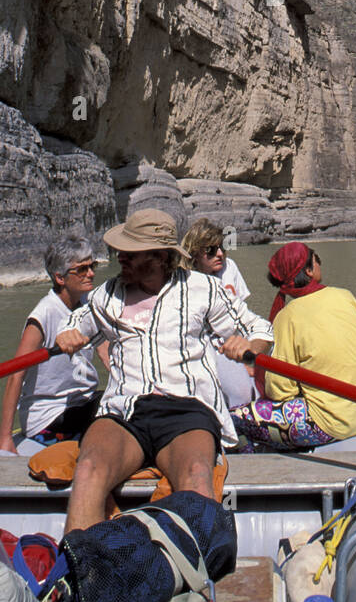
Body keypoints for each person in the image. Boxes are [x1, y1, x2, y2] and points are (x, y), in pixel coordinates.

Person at [55, 208, 272, 531]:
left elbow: (260, 330)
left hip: (186, 408)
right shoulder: (107, 296)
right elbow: (74, 322)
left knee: (198, 474)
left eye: (129, 254)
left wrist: (250, 349)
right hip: (124, 410)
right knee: (87, 469)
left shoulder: (203, 290)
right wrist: (67, 333)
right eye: (119, 252)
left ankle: (197, 574)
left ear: (159, 257)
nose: (119, 259)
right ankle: (80, 569)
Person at [231, 241, 356, 453]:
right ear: (309, 271)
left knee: (230, 419)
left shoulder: (287, 316)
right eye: (316, 259)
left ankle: (252, 466)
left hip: (332, 423)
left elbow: (280, 390)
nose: (320, 262)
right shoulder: (347, 296)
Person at [0, 233, 109, 454]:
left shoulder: (87, 304)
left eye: (92, 265)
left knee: (127, 399)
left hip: (80, 403)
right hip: (48, 416)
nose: (91, 273)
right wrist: (5, 438)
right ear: (60, 278)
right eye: (82, 269)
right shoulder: (43, 314)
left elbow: (106, 354)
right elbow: (16, 374)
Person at [180, 218, 257, 408]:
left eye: (222, 247)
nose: (220, 254)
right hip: (208, 348)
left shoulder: (230, 268)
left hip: (236, 344)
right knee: (240, 394)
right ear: (195, 252)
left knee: (255, 390)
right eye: (211, 250)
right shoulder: (185, 280)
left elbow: (243, 315)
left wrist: (249, 354)